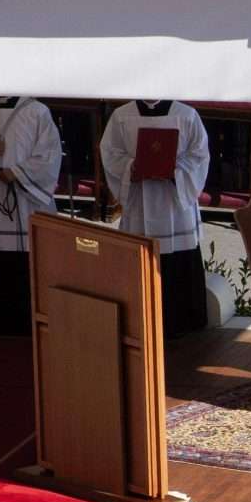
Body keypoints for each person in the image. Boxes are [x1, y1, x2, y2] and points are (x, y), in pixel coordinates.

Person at [100, 98, 211, 335]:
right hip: (140, 203)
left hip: (175, 208)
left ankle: (184, 324)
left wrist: (174, 171)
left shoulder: (187, 115)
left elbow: (200, 156)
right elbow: (109, 154)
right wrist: (132, 167)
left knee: (178, 271)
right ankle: (141, 322)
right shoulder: (122, 116)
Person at [0, 93, 61, 335]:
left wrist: (18, 173)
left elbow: (50, 155)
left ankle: (26, 321)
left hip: (23, 200)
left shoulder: (36, 111)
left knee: (25, 261)